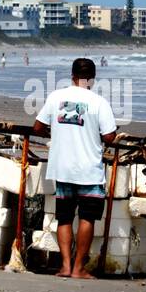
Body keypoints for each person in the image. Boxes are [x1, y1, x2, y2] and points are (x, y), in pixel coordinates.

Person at [31, 58, 117, 279]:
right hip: (89, 169)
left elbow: (38, 126)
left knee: (65, 217)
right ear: (93, 78)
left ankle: (66, 266)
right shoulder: (99, 102)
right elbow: (109, 136)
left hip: (62, 167)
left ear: (72, 75)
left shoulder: (56, 97)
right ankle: (79, 268)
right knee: (87, 218)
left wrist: (59, 133)